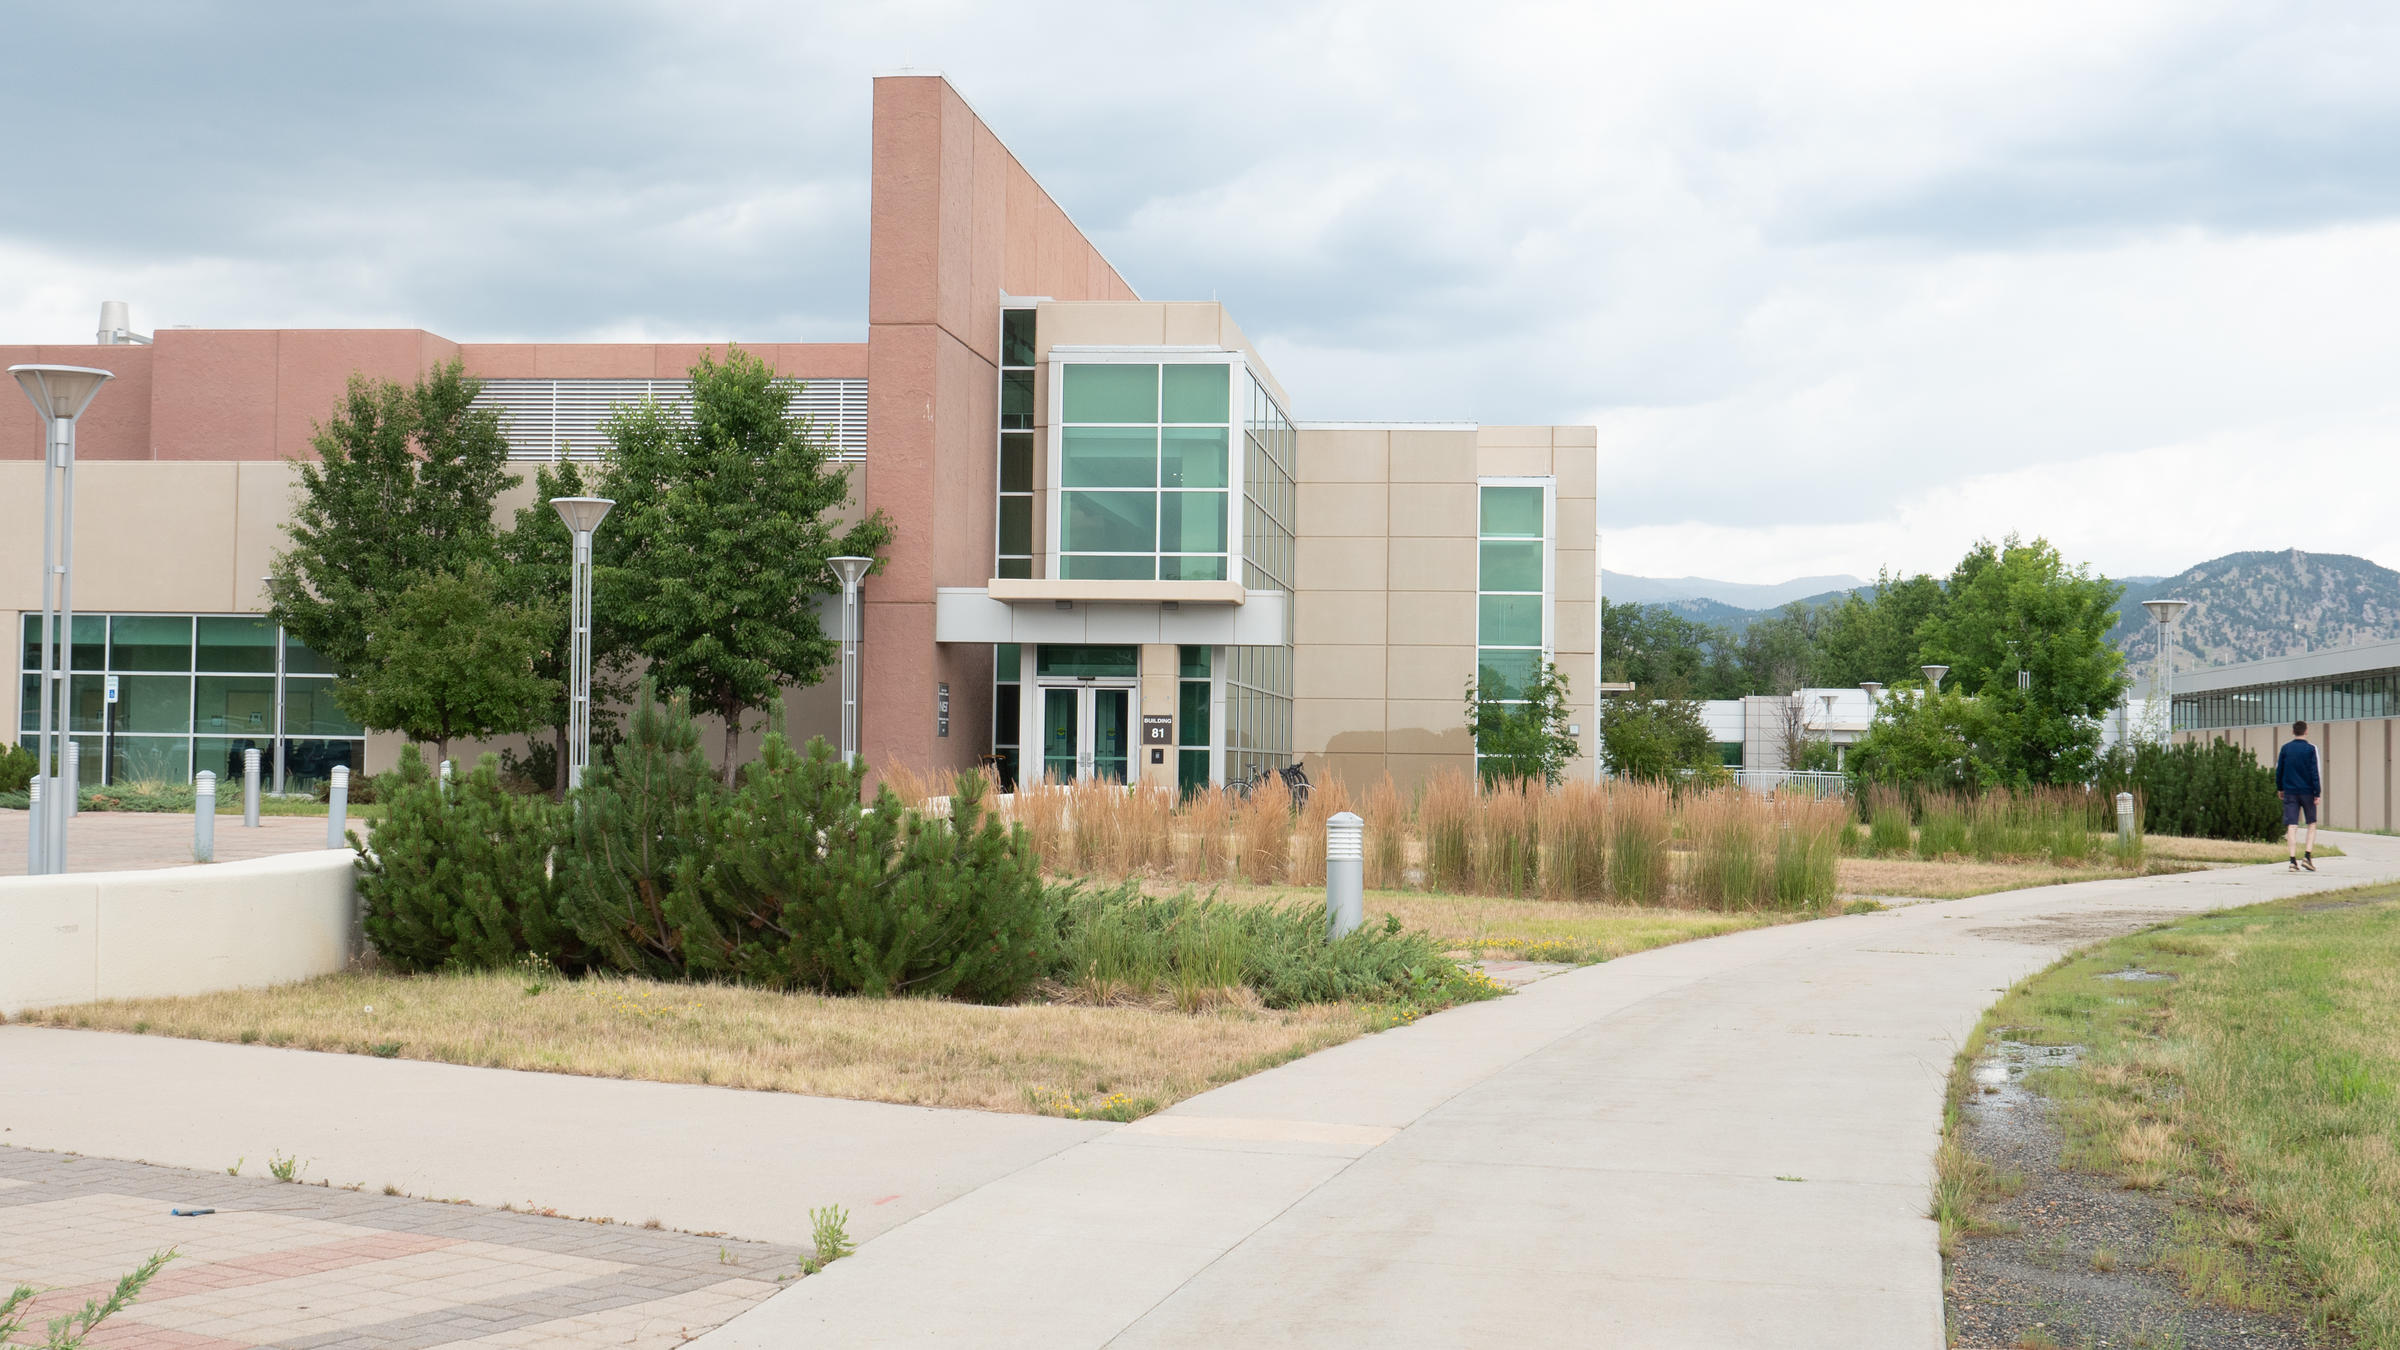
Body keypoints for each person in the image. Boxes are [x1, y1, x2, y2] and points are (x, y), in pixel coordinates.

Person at [2275, 721, 2321, 871]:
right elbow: (2315, 772)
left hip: (2290, 791)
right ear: (2306, 731)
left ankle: (2292, 861)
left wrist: (2280, 788)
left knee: (2292, 825)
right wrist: (2317, 792)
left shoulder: (2285, 748)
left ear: (2293, 732)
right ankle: (2307, 856)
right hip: (2308, 791)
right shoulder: (2311, 749)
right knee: (2311, 823)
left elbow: (2279, 770)